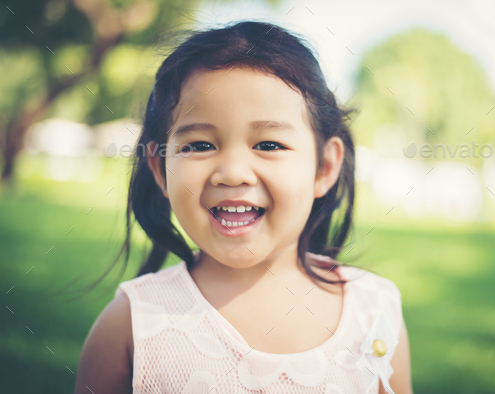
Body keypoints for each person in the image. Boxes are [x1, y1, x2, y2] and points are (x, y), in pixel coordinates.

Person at [74, 20, 413, 394]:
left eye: (268, 144)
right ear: (160, 168)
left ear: (325, 167)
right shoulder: (133, 322)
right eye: (199, 145)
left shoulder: (374, 311)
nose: (233, 173)